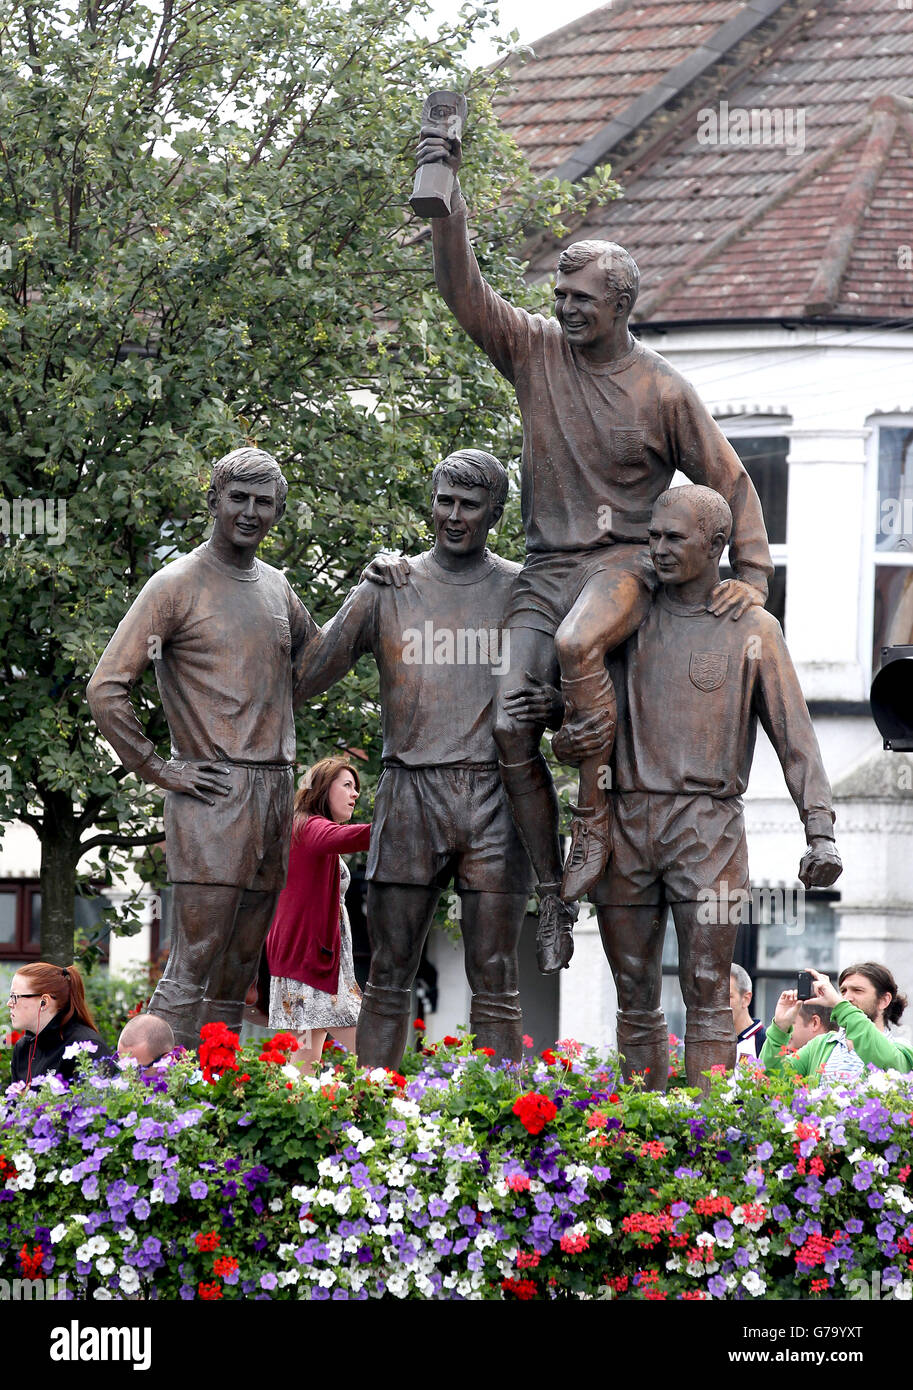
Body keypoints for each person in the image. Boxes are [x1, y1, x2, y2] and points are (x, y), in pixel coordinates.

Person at [415, 127, 774, 972]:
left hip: (622, 567)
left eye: (582, 297)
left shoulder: (662, 388)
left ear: (621, 306)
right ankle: (552, 888)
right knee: (508, 723)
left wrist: (751, 577)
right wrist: (447, 193)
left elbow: (728, 481)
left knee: (580, 645)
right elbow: (461, 290)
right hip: (544, 569)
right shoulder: (535, 351)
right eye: (561, 294)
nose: (566, 307)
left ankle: (593, 821)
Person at [294, 449, 550, 1067]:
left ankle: (500, 1124)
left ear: (495, 512)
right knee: (390, 970)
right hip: (411, 793)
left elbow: (575, 689)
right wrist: (282, 598)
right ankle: (377, 1117)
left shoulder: (525, 590)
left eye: (469, 505)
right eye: (444, 502)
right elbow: (307, 674)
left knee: (496, 975)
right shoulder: (390, 585)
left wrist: (555, 704)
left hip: (498, 796)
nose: (453, 516)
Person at [592, 485, 842, 1091]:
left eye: (673, 537)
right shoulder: (627, 613)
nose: (658, 549)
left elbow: (795, 736)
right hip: (627, 817)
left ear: (717, 545)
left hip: (709, 826)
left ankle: (703, 1138)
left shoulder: (751, 626)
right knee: (632, 986)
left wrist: (821, 831)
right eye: (652, 536)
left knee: (708, 985)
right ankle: (637, 1131)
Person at [87, 447, 317, 1048]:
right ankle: (145, 1100)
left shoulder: (276, 586)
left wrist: (377, 594)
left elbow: (317, 664)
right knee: (194, 958)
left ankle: (216, 1092)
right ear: (213, 501)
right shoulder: (177, 584)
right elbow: (107, 687)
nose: (249, 511)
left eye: (263, 502)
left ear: (278, 511)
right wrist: (158, 769)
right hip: (213, 793)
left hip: (274, 789)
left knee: (241, 966)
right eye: (237, 498)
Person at [266, 758, 371, 1070]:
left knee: (304, 1063)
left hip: (306, 961)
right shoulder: (307, 825)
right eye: (347, 786)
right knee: (372, 1054)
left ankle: (295, 1115)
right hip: (311, 964)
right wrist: (395, 823)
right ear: (323, 789)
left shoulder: (300, 826)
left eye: (357, 788)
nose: (355, 795)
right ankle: (401, 1112)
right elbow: (347, 837)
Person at [761, 965, 913, 1077]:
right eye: (843, 991)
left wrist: (840, 1006)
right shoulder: (821, 1045)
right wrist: (780, 1028)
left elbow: (888, 1063)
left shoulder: (900, 1049)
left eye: (858, 991)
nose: (847, 998)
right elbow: (771, 1079)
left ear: (884, 1001)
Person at [9, 962, 113, 1086]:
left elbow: (95, 1102)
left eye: (15, 997)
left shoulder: (88, 1047)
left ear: (44, 1002)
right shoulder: (23, 1048)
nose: (9, 1003)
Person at [730, 963, 766, 1059]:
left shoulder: (764, 1042)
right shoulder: (708, 1041)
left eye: (727, 997)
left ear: (746, 999)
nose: (719, 1003)